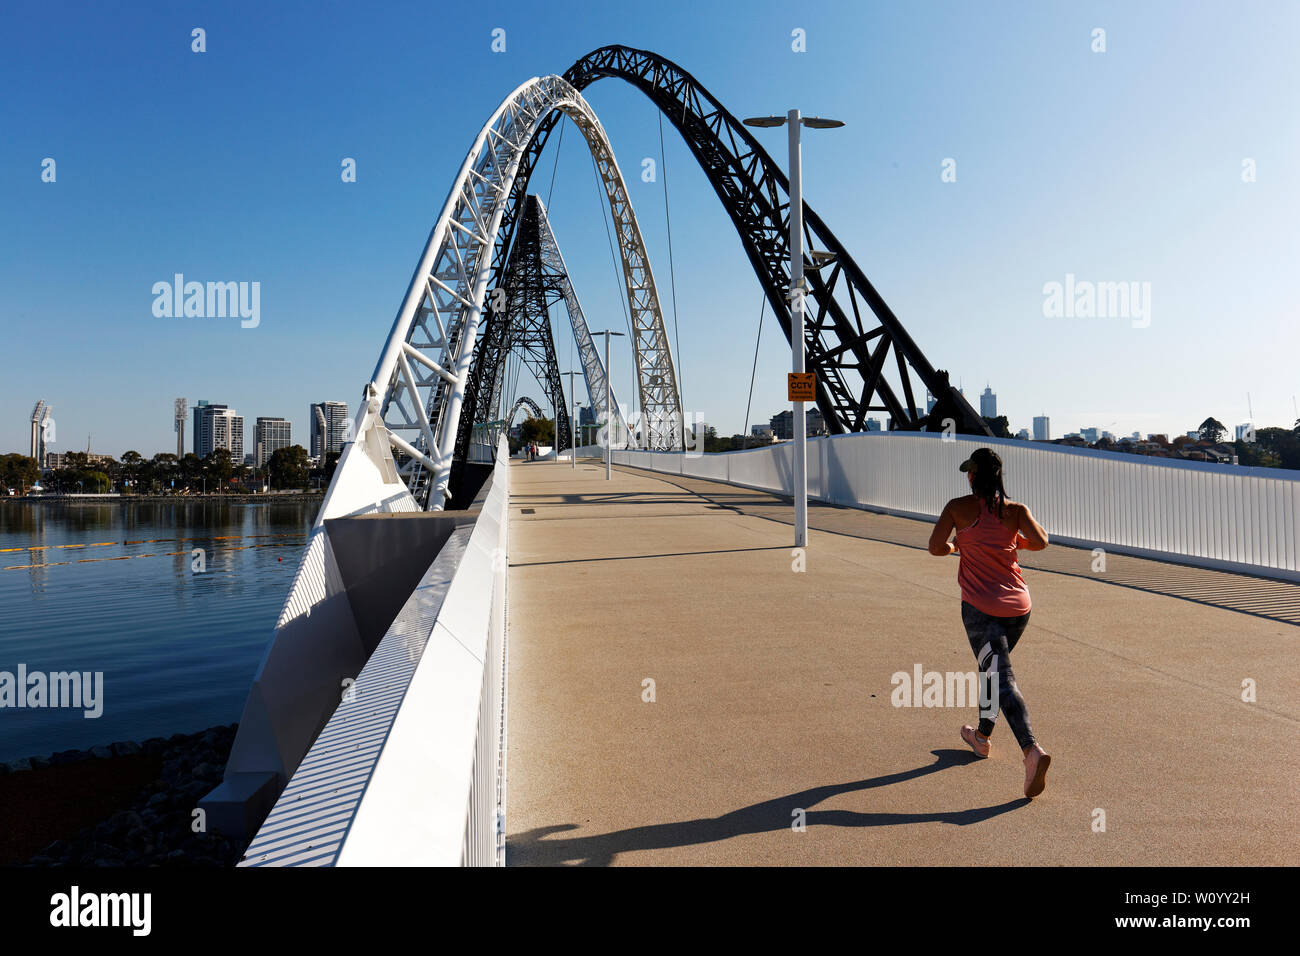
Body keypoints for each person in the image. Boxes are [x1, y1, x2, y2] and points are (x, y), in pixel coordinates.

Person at [927, 447, 1052, 798]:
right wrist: (1013, 543)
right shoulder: (1015, 511)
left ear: (973, 476)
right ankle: (981, 737)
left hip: (981, 608)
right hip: (1018, 607)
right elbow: (1041, 542)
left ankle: (1031, 750)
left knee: (1000, 676)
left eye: (969, 472)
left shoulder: (957, 507)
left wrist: (957, 547)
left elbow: (936, 546)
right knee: (993, 670)